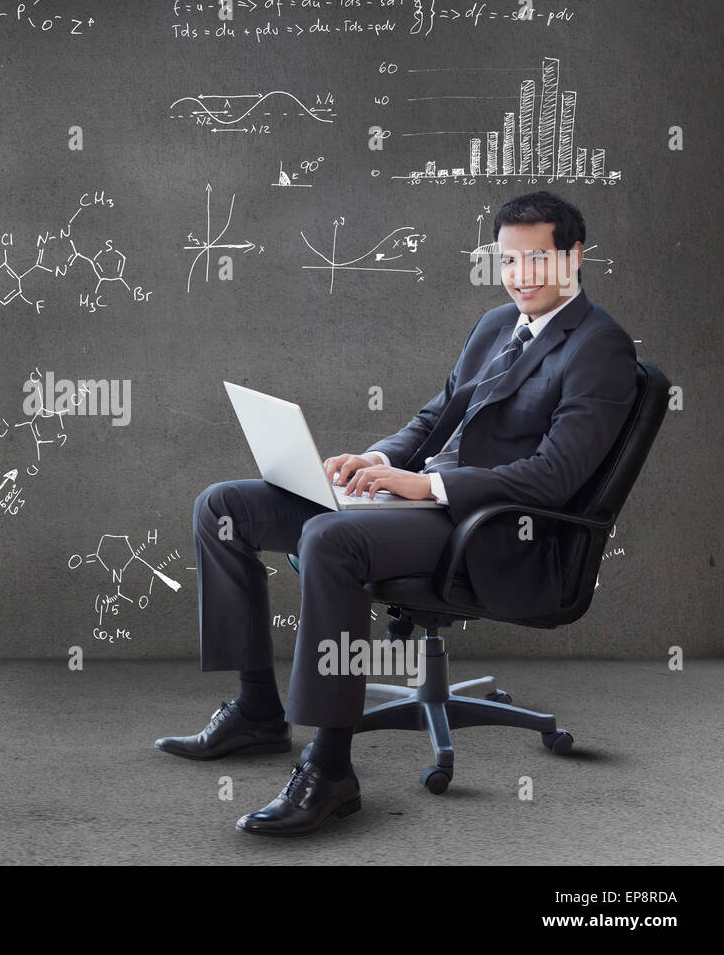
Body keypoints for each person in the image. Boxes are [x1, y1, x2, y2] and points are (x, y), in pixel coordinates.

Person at [155, 191, 637, 836]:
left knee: (330, 539)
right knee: (223, 507)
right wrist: (374, 462)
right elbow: (435, 419)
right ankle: (257, 712)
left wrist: (423, 489)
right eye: (508, 261)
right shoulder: (496, 326)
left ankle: (330, 771)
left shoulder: (600, 347)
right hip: (417, 504)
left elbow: (555, 478)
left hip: (493, 533)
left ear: (574, 257)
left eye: (537, 261)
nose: (521, 276)